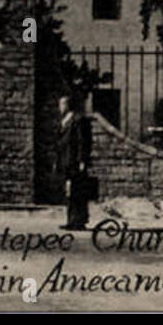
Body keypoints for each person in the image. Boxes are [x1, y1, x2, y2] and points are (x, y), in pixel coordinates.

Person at [59, 95, 94, 230]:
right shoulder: (64, 120)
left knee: (77, 190)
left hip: (74, 161)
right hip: (66, 160)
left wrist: (81, 160)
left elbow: (81, 142)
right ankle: (71, 219)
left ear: (68, 105)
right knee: (69, 191)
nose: (60, 107)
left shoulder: (77, 120)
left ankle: (79, 220)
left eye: (62, 104)